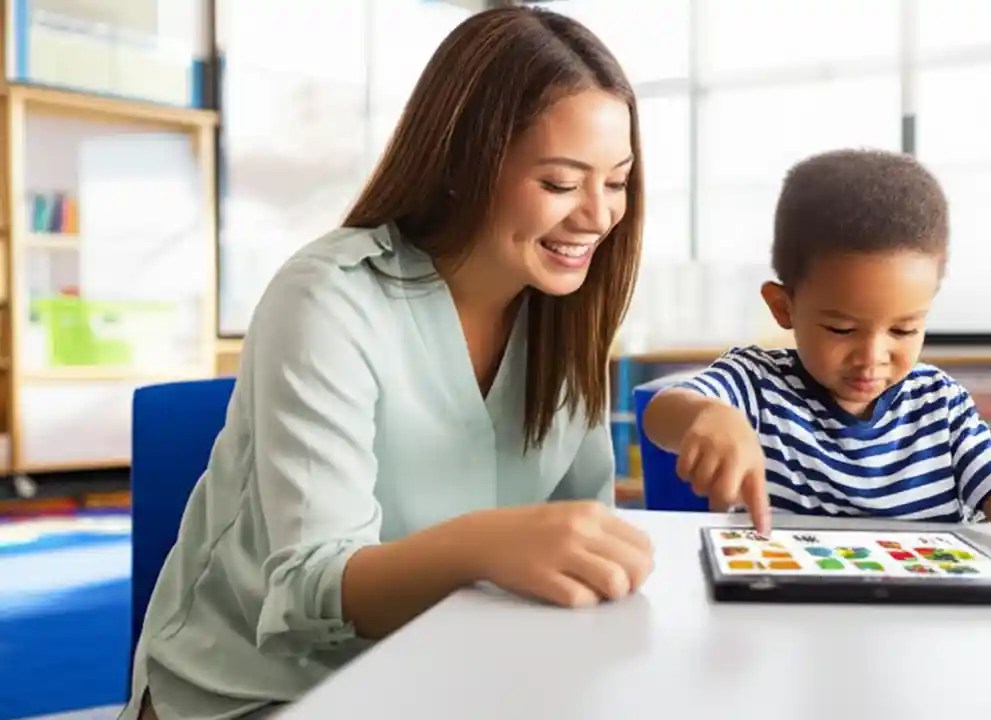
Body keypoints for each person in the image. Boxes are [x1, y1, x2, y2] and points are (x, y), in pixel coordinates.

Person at [124, 7, 654, 719]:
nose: (598, 214)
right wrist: (485, 546)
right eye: (561, 183)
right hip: (256, 693)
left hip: (443, 677)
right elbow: (311, 590)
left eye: (616, 182)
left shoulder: (565, 312)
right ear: (465, 167)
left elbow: (579, 540)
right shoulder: (330, 298)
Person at [642, 148, 991, 584]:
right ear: (784, 308)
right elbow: (663, 412)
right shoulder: (755, 383)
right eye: (842, 329)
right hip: (784, 622)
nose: (873, 356)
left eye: (905, 329)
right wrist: (706, 416)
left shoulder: (940, 405)